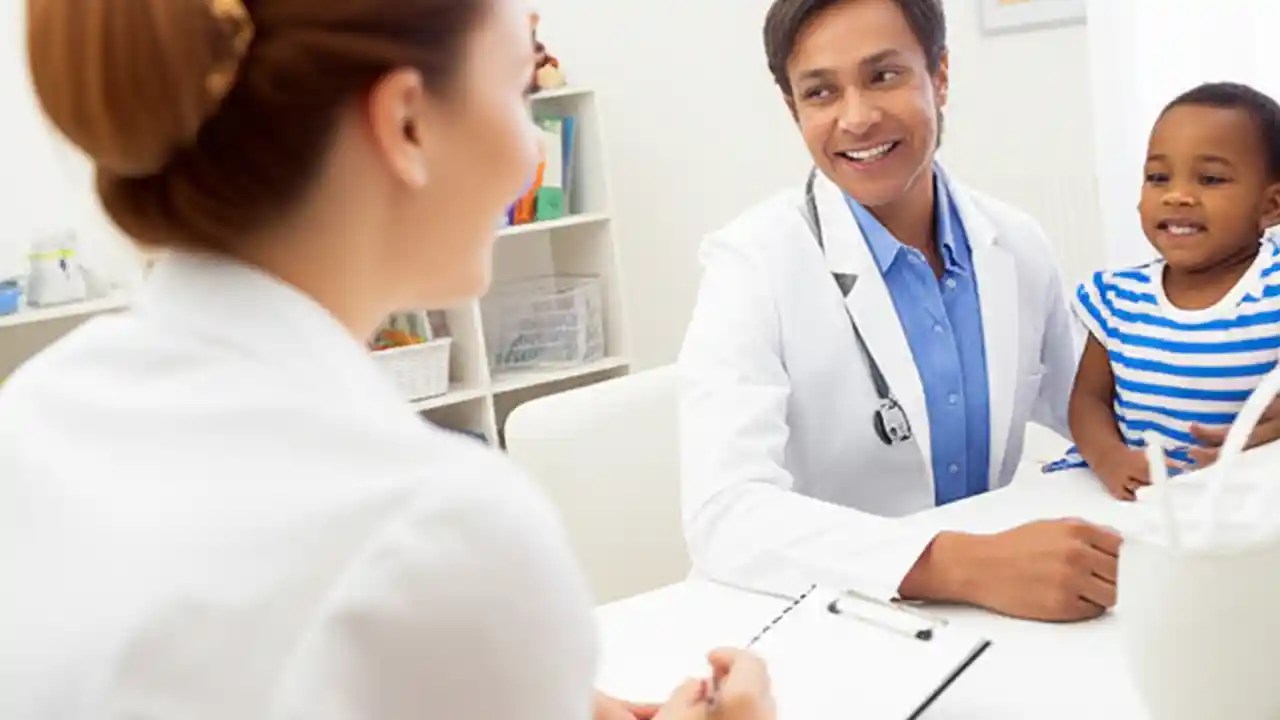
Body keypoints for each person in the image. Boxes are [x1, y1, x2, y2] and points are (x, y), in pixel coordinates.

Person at [0, 1, 772, 718]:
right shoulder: (442, 530)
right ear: (406, 124)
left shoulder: (33, 417)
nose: (534, 151)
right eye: (515, 87)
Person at [679, 0, 1122, 622]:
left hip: (983, 620)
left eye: (884, 75)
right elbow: (724, 514)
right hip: (813, 617)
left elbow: (1098, 408)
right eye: (821, 92)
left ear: (939, 76)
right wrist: (962, 565)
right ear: (793, 110)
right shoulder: (750, 266)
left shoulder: (1013, 244)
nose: (856, 118)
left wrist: (1242, 405)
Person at [1050, 82, 1280, 500]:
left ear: (1271, 206)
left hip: (1244, 505)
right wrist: (1111, 460)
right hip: (1132, 496)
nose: (1177, 195)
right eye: (1158, 177)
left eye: (1210, 179)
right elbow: (1087, 404)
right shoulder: (1118, 298)